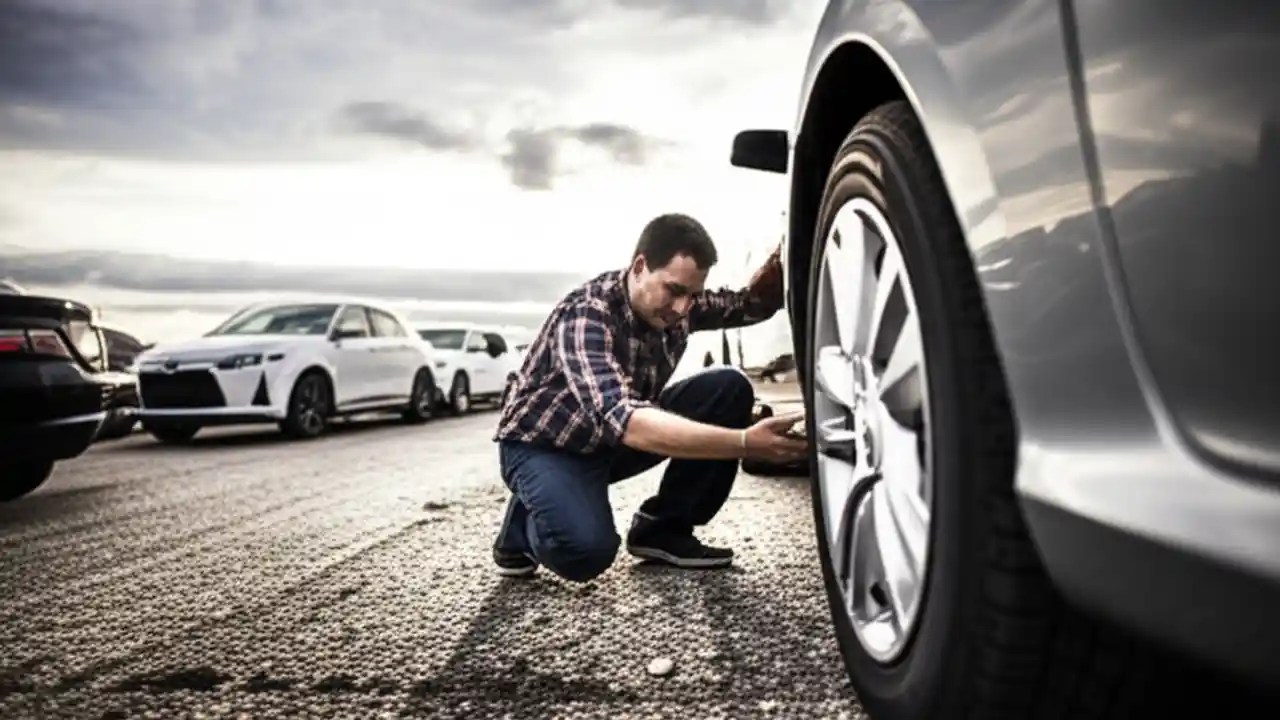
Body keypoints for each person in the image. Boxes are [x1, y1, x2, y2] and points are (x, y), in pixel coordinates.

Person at [491, 213, 809, 582]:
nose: (682, 308)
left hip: (608, 442)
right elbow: (624, 417)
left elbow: (750, 305)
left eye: (693, 295)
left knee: (727, 388)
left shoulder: (679, 306)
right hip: (544, 447)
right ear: (640, 266)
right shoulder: (586, 315)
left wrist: (792, 245)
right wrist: (744, 443)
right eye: (674, 291)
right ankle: (523, 528)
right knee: (586, 552)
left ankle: (662, 529)